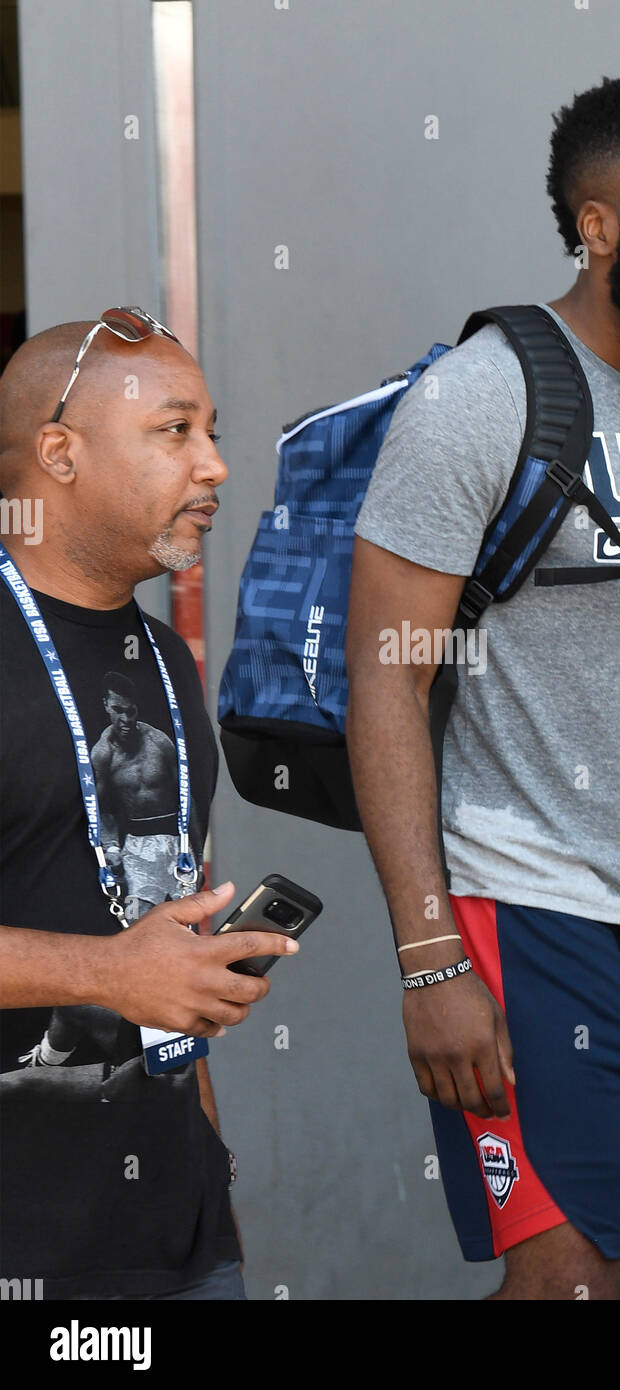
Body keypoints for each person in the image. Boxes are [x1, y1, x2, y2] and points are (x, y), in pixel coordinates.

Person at [346, 71, 620, 1300]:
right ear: (597, 228)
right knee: (569, 1288)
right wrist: (430, 961)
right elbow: (385, 686)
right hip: (523, 909)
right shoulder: (479, 399)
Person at [0, 309, 297, 1300]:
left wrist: (211, 1180)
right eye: (175, 431)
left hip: (174, 1237)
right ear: (60, 452)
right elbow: (124, 965)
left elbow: (160, 929)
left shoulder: (163, 660)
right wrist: (110, 973)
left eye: (213, 431)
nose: (212, 466)